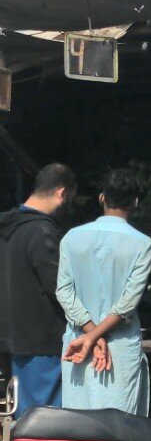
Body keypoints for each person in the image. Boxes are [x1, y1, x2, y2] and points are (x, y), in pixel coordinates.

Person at [56, 168, 151, 416]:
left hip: (77, 345)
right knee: (120, 432)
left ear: (102, 198)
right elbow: (126, 304)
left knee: (78, 428)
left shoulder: (71, 238)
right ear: (135, 202)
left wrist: (90, 334)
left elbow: (64, 292)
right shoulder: (143, 244)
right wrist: (96, 337)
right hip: (118, 349)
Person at [0, 164, 76, 415]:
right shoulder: (42, 231)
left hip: (15, 340)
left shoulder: (8, 229)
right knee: (48, 425)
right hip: (45, 342)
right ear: (62, 194)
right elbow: (59, 287)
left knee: (24, 422)